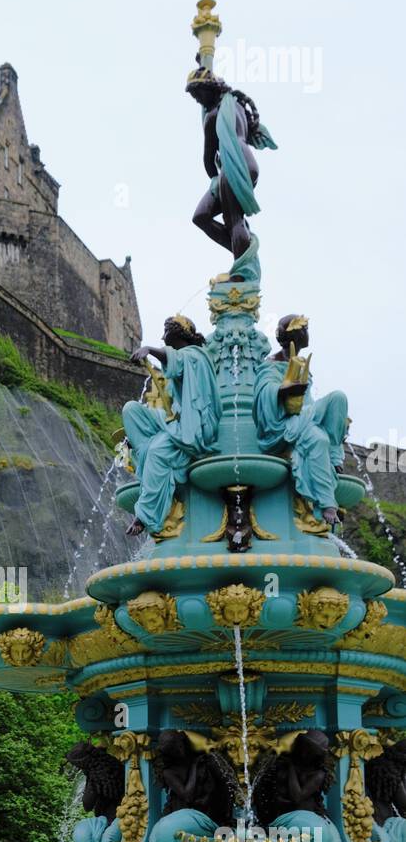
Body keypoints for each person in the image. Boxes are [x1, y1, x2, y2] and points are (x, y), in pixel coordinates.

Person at [125, 316, 221, 537]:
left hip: (195, 427)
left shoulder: (197, 357)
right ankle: (145, 452)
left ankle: (145, 515)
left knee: (158, 451)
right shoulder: (180, 360)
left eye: (165, 332)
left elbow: (179, 360)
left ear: (178, 333)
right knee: (132, 410)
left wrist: (150, 349)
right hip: (176, 420)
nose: (162, 337)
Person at [253, 315, 348, 527]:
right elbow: (263, 395)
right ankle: (326, 503)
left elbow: (309, 400)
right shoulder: (272, 364)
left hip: (305, 416)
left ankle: (334, 456)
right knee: (317, 438)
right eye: (305, 330)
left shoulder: (301, 363)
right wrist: (284, 389)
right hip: (282, 426)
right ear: (296, 336)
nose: (308, 334)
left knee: (338, 398)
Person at [186, 64, 276, 274]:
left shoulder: (214, 116)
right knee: (202, 216)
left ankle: (241, 269)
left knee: (233, 219)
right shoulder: (235, 105)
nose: (198, 100)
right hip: (247, 162)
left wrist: (214, 178)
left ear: (209, 90)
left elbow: (208, 159)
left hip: (233, 164)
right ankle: (244, 254)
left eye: (198, 95)